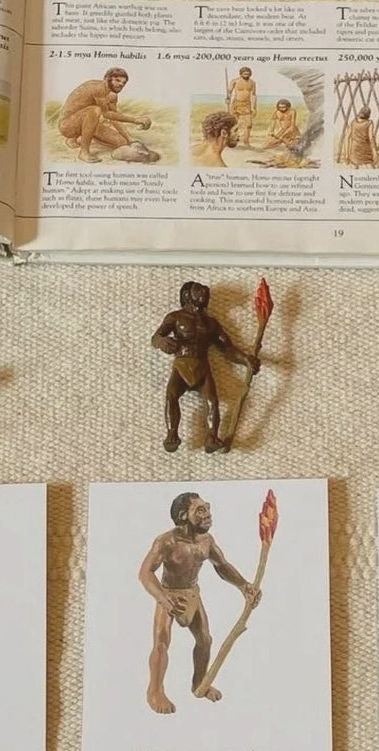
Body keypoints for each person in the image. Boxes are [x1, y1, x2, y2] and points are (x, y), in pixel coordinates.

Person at [139, 493, 261, 713]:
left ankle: (199, 683)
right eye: (201, 510)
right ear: (183, 516)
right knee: (161, 642)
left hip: (192, 593)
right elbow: (145, 573)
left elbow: (222, 565)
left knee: (205, 640)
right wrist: (163, 598)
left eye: (208, 508)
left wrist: (244, 585)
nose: (208, 515)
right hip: (168, 593)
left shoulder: (207, 540)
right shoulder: (167, 542)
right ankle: (155, 691)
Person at [151, 281, 260, 452]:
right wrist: (162, 342)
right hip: (182, 363)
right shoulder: (175, 317)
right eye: (198, 290)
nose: (204, 292)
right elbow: (156, 337)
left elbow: (227, 348)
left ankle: (212, 436)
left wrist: (246, 360)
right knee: (171, 396)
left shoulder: (211, 324)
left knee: (212, 401)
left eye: (203, 290)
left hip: (202, 365)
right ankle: (172, 434)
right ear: (187, 295)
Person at [57, 67, 151, 163]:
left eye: (124, 82)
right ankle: (84, 152)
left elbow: (114, 117)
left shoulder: (112, 95)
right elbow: (107, 114)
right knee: (95, 110)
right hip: (67, 126)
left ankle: (78, 140)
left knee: (121, 142)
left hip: (87, 123)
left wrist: (130, 139)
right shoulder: (97, 88)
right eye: (117, 80)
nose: (121, 84)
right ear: (107, 79)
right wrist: (135, 120)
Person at [226, 66, 256, 146]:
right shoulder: (235, 81)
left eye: (248, 74)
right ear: (241, 74)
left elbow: (253, 95)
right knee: (234, 123)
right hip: (236, 104)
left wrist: (253, 107)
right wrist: (228, 98)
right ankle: (232, 140)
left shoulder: (252, 83)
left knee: (248, 124)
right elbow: (229, 92)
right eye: (245, 74)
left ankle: (246, 142)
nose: (246, 75)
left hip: (247, 105)